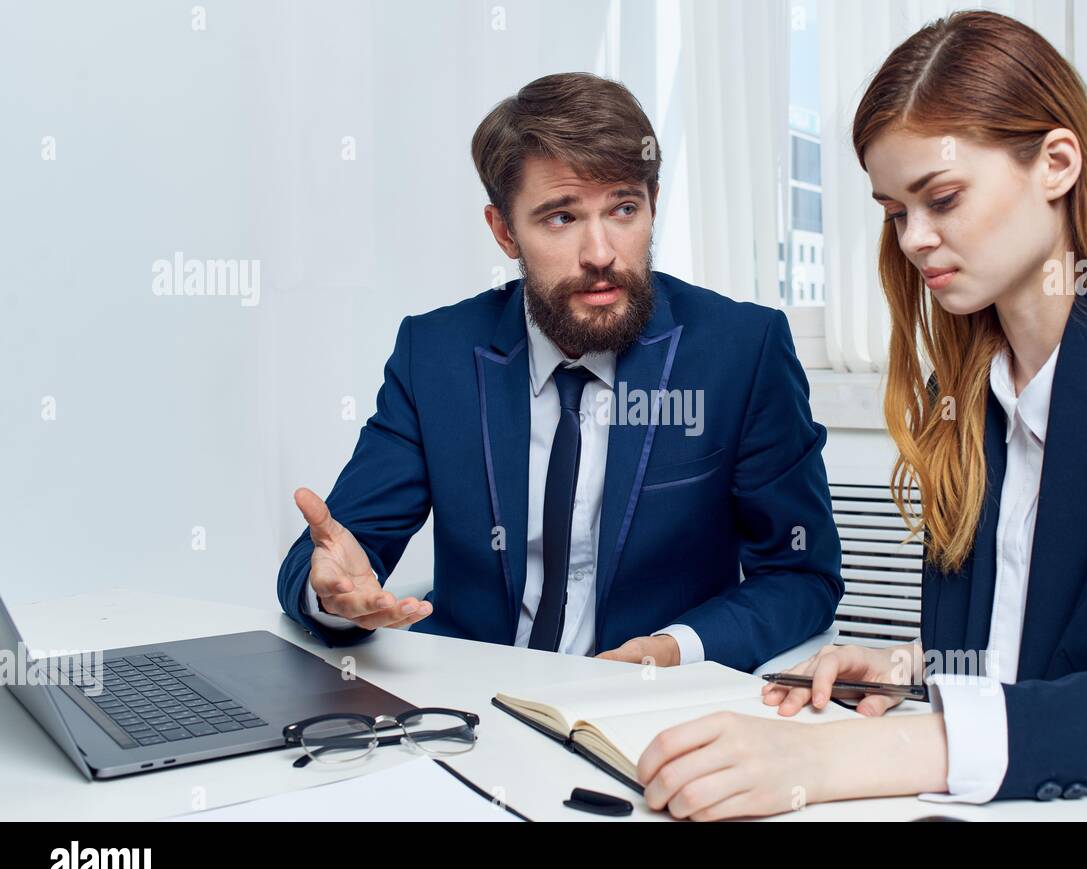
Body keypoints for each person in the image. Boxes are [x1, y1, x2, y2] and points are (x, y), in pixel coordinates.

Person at [637, 10, 1087, 819]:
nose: (915, 239)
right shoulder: (969, 391)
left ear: (1057, 162)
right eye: (893, 211)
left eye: (942, 197)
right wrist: (919, 669)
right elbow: (1050, 649)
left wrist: (839, 754)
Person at [275, 72, 843, 672]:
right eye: (561, 218)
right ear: (503, 231)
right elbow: (335, 549)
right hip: (470, 703)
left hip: (645, 711)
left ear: (654, 204)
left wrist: (678, 648)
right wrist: (332, 596)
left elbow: (800, 574)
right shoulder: (435, 353)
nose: (600, 253)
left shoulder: (741, 351)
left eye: (624, 208)